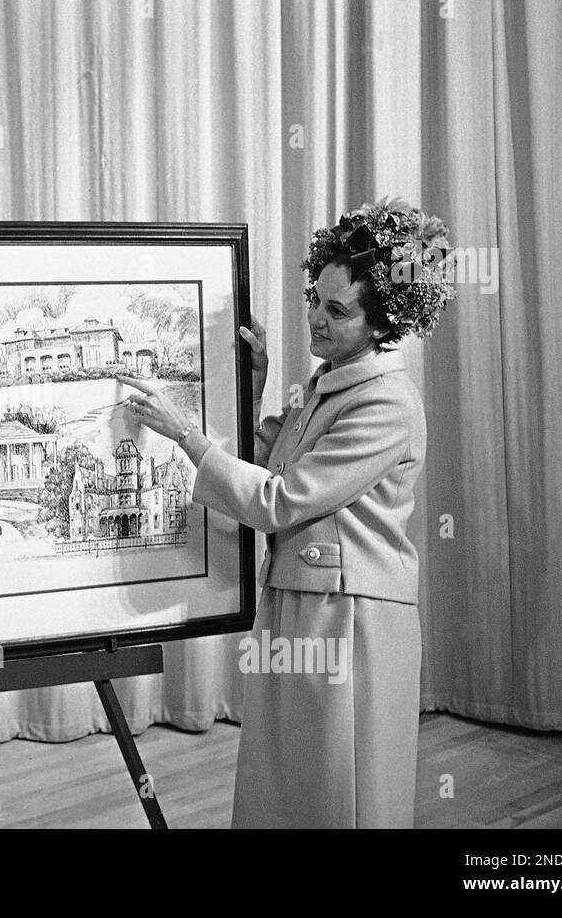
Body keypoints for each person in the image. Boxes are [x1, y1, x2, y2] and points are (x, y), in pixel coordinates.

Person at [121, 197, 456, 827]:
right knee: (287, 784)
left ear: (383, 321)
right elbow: (265, 459)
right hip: (304, 602)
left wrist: (186, 434)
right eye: (313, 298)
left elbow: (278, 500)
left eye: (337, 310)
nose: (315, 319)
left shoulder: (387, 404)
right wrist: (252, 386)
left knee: (338, 792)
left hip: (350, 617)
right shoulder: (331, 380)